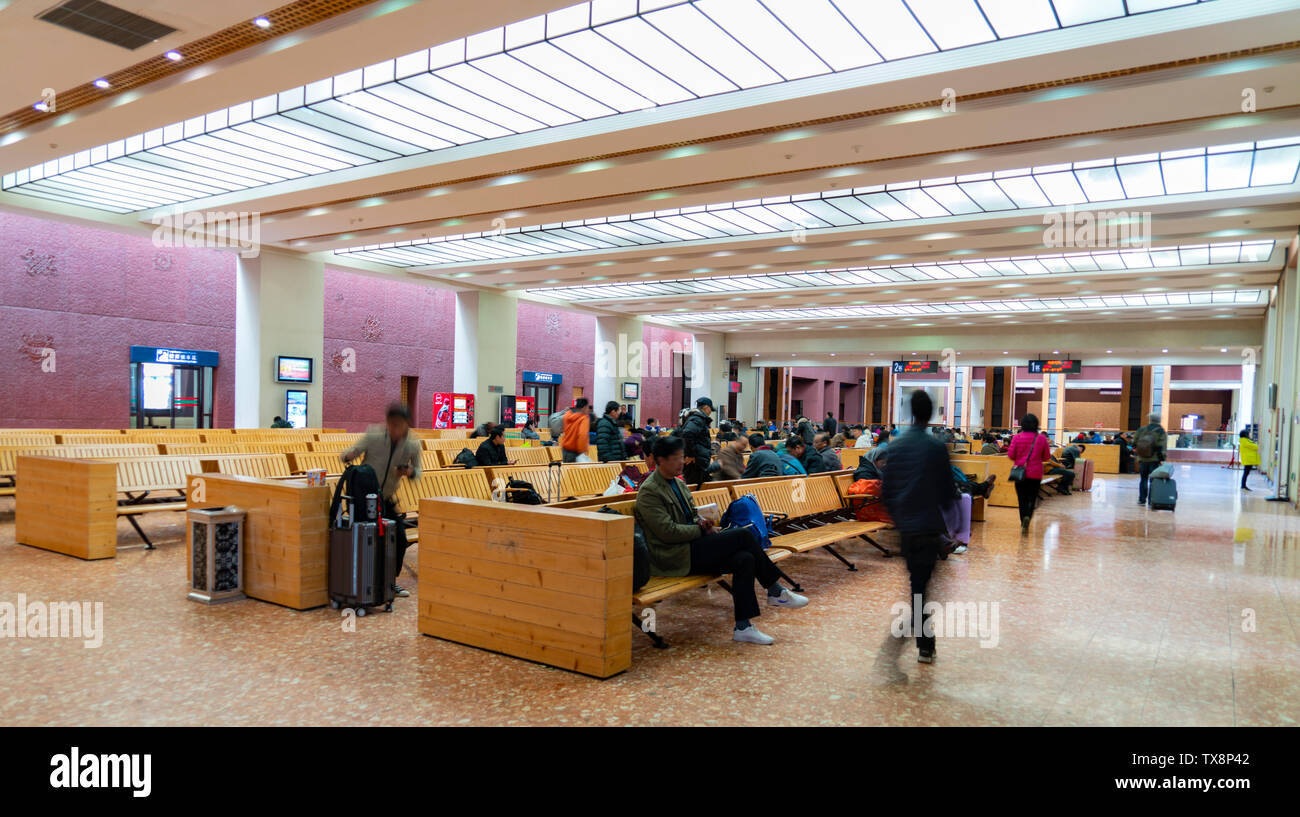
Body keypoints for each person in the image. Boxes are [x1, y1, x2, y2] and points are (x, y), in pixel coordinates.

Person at [634, 436, 807, 645]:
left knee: (744, 559)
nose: (682, 462)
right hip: (674, 556)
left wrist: (705, 523)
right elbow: (667, 532)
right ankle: (775, 589)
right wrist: (699, 530)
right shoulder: (650, 491)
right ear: (661, 460)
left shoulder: (678, 484)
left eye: (682, 457)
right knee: (743, 535)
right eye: (676, 458)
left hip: (691, 547)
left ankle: (743, 627)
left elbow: (690, 516)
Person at [881, 390, 954, 665]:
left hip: (906, 528)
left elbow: (886, 490)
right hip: (928, 527)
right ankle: (908, 647)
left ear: (910, 410)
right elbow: (948, 492)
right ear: (931, 413)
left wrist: (898, 518)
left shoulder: (896, 446)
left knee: (918, 587)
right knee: (920, 590)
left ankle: (925, 644)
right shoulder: (936, 447)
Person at [339, 402, 422, 598]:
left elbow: (418, 472)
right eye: (390, 424)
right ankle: (361, 582)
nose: (393, 429)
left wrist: (409, 471)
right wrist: (348, 455)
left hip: (386, 499)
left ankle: (390, 583)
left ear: (406, 424)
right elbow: (350, 453)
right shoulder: (374, 435)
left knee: (400, 539)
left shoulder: (413, 443)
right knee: (366, 539)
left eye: (398, 425)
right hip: (364, 499)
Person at [1006, 414, 1053, 532]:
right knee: (1032, 498)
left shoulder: (1017, 437)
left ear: (1023, 424)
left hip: (1020, 473)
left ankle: (1023, 522)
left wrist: (1020, 458)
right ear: (1036, 424)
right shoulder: (1041, 438)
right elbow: (1047, 457)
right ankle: (1028, 516)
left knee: (1022, 499)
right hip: (1036, 473)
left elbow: (1011, 455)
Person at [1133, 412, 1168, 506]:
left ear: (1150, 419)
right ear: (1159, 420)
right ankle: (1151, 501)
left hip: (1142, 458)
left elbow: (1134, 442)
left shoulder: (1142, 429)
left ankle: (1141, 500)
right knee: (1153, 480)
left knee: (1143, 479)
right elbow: (1162, 446)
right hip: (1154, 459)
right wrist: (1162, 459)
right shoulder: (1161, 431)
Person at [679, 397, 715, 486]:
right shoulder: (697, 419)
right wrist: (691, 455)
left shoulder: (696, 419)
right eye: (710, 409)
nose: (710, 412)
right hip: (696, 464)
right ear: (706, 407)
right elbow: (687, 434)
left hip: (699, 462)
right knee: (695, 489)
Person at [560, 398, 591, 463]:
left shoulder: (567, 416)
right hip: (576, 452)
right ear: (584, 407)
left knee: (567, 471)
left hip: (565, 450)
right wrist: (582, 450)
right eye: (587, 407)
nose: (588, 410)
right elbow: (582, 435)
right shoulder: (583, 418)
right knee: (575, 473)